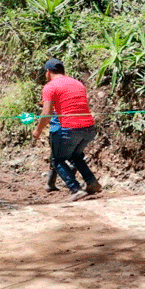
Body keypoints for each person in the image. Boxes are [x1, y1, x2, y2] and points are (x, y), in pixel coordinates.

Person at [32, 59, 101, 202]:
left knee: (57, 160)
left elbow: (46, 113)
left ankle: (75, 189)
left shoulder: (50, 87)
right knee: (75, 156)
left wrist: (37, 131)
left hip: (70, 129)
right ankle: (92, 182)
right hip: (89, 129)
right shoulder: (77, 83)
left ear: (48, 72)